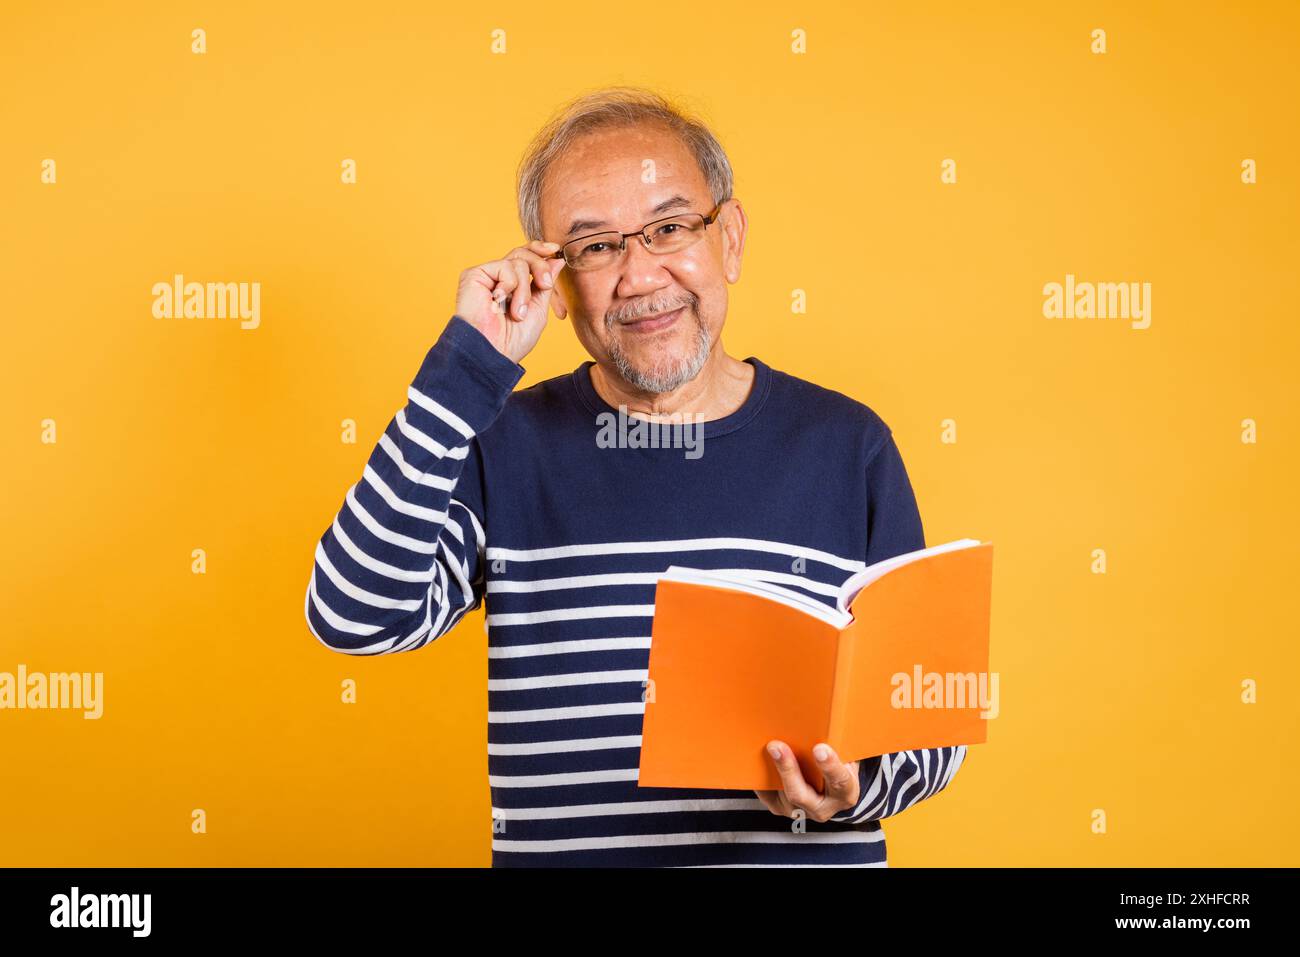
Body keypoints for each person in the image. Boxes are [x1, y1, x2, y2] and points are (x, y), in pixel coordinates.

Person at [304, 86, 966, 866]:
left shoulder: (848, 444)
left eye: (669, 227)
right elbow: (355, 614)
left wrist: (855, 783)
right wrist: (464, 370)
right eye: (595, 246)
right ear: (550, 279)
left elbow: (932, 717)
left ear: (731, 238)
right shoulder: (499, 440)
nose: (640, 276)